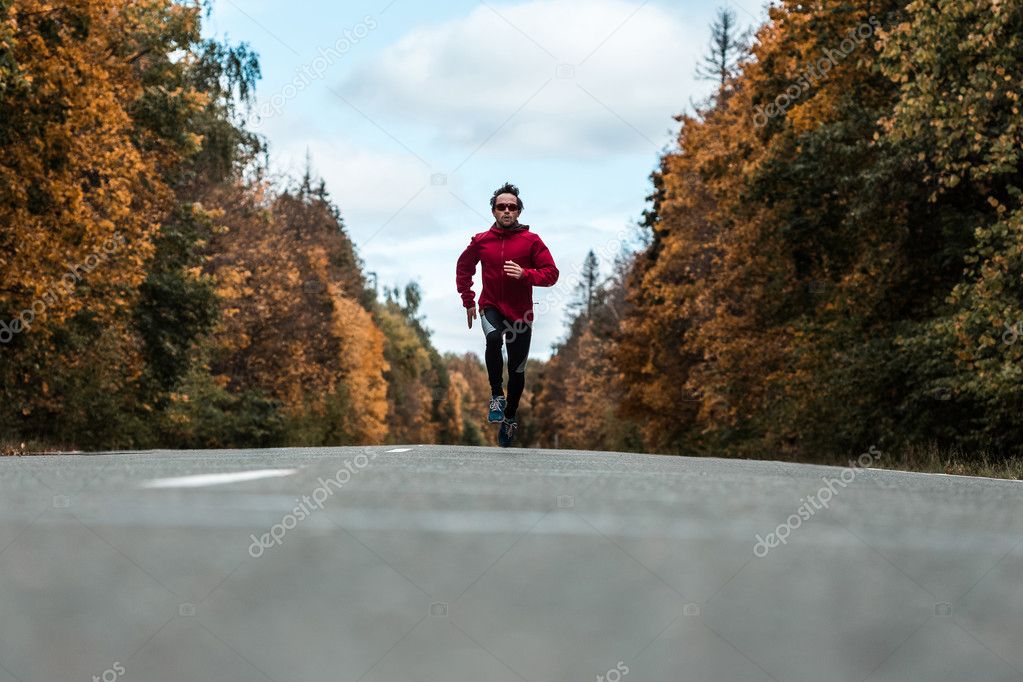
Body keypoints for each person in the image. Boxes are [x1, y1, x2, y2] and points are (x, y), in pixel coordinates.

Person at [455, 182, 559, 447]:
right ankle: (495, 396)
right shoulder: (481, 241)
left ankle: (510, 417)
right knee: (492, 340)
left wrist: (527, 274)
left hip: (521, 315)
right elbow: (464, 267)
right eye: (501, 207)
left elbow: (552, 274)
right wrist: (468, 300)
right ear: (493, 211)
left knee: (517, 370)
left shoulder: (531, 241)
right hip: (490, 306)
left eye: (512, 207)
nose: (507, 211)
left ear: (518, 212)